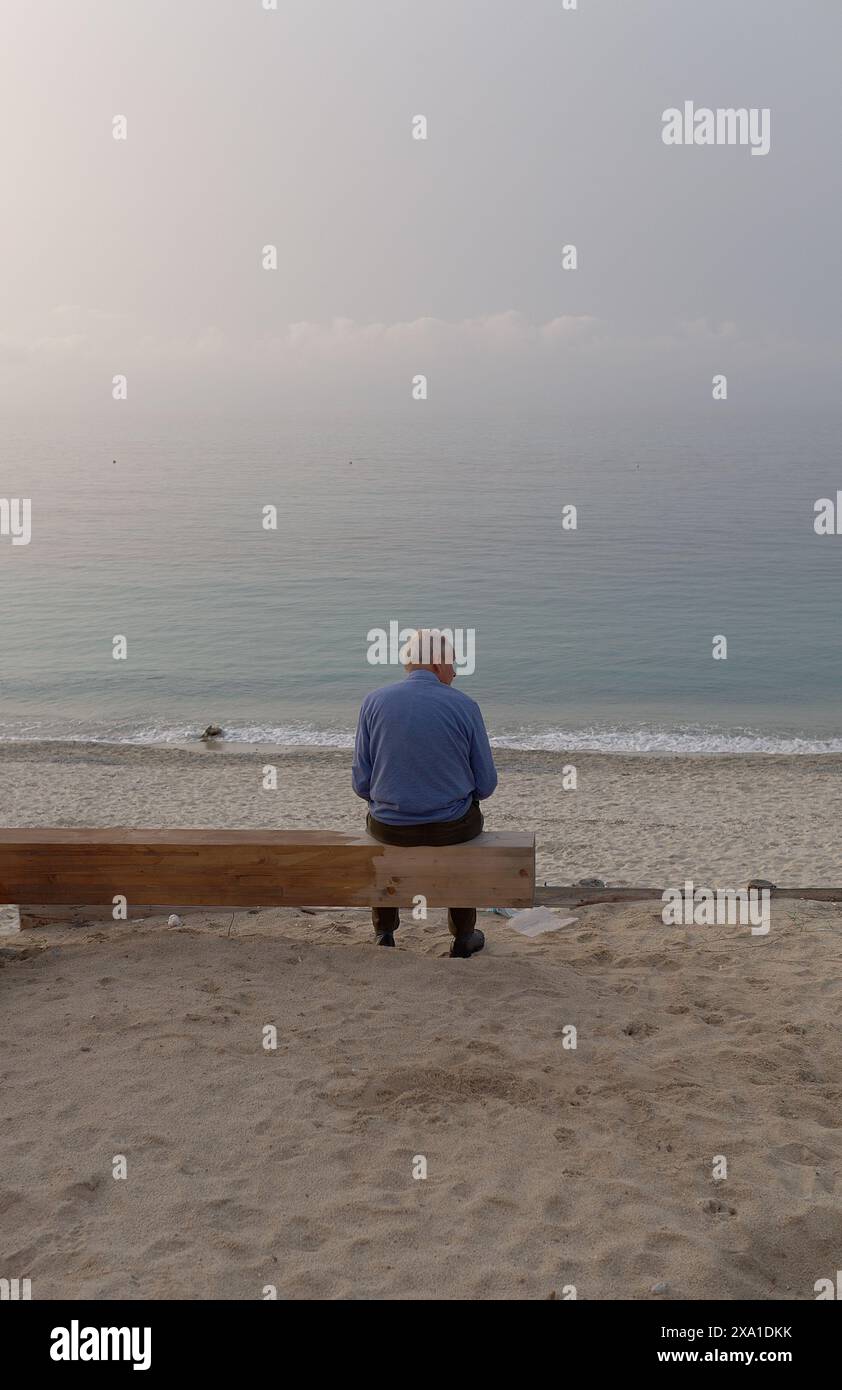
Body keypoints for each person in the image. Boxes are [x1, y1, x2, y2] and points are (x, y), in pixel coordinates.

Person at [352, 628, 498, 957]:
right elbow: (486, 785)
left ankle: (384, 932)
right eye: (453, 663)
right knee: (467, 830)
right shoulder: (465, 706)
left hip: (391, 826)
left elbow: (361, 782)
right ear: (436, 663)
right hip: (451, 827)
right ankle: (463, 936)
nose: (456, 671)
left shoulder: (373, 702)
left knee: (377, 828)